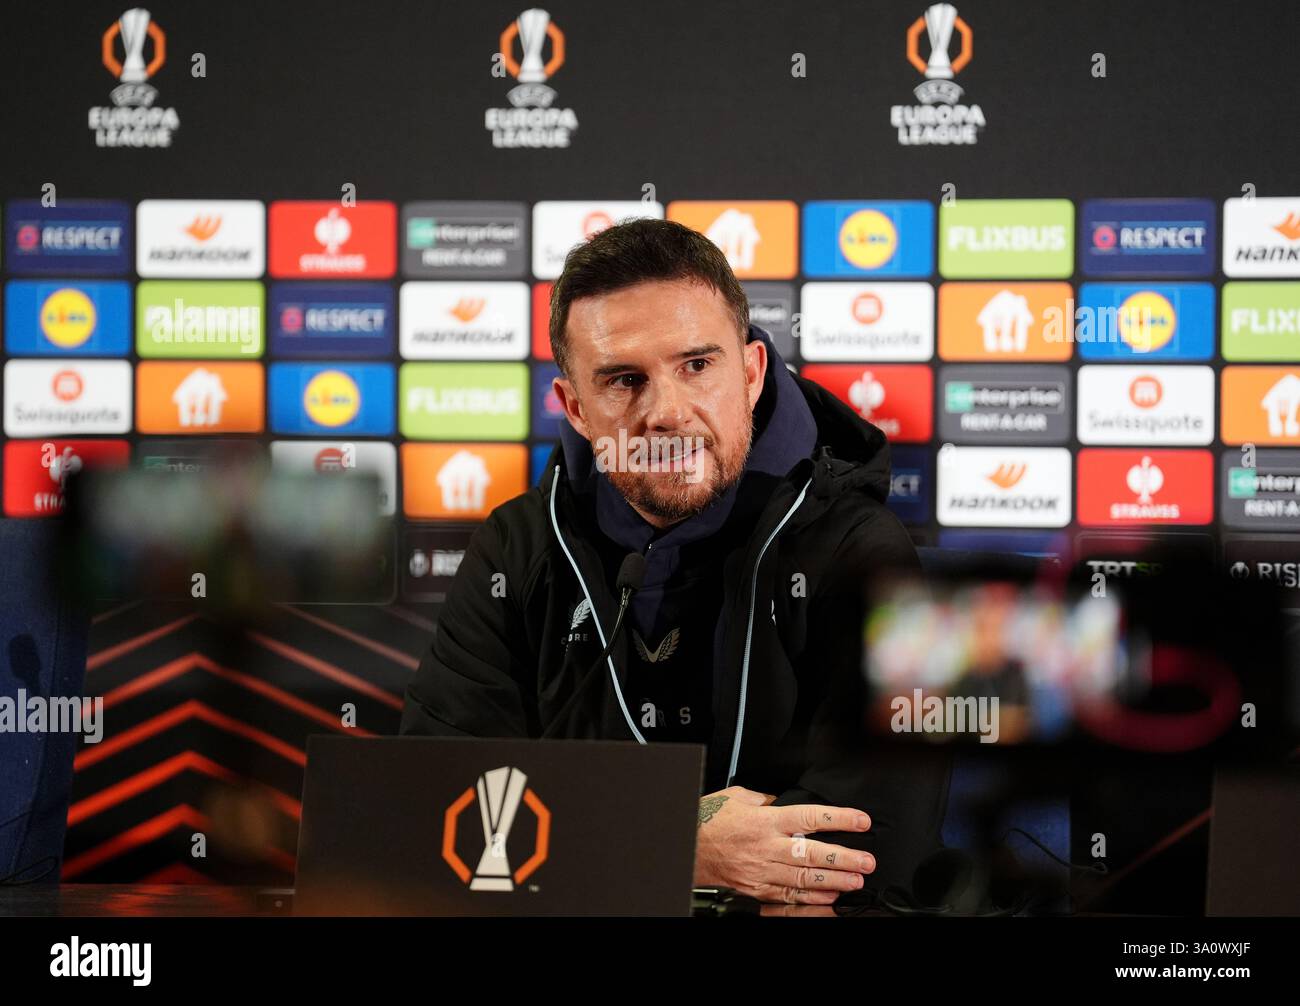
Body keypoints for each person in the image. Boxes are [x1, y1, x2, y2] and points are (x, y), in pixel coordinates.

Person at [400, 218, 951, 906]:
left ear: (750, 374)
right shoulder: (515, 550)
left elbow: (874, 849)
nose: (665, 413)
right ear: (575, 408)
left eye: (696, 365)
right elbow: (436, 813)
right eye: (624, 380)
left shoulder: (862, 549)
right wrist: (678, 843)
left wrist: (582, 850)